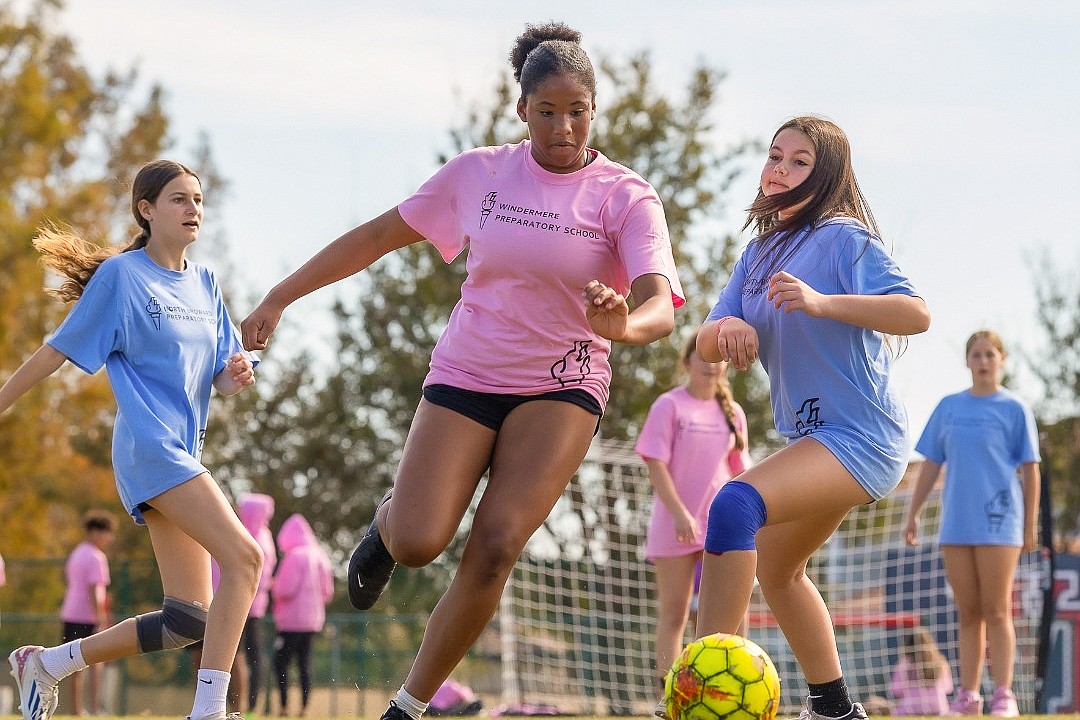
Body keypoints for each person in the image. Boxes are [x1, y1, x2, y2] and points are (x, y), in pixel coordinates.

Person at [240, 21, 682, 720]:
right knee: (419, 542)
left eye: (577, 111)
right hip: (468, 373)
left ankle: (408, 707)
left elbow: (661, 305)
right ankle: (385, 527)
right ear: (522, 111)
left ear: (595, 110)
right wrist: (281, 296)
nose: (563, 127)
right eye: (547, 112)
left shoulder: (626, 196)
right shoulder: (479, 174)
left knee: (497, 545)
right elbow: (378, 236)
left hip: (563, 383)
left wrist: (624, 325)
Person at [689, 115, 931, 720]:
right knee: (778, 568)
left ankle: (704, 694)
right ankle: (836, 709)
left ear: (826, 178)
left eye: (801, 162)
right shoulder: (757, 254)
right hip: (814, 438)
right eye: (776, 157)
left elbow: (916, 313)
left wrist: (823, 303)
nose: (782, 170)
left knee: (734, 505)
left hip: (863, 436)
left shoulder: (843, 238)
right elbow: (703, 341)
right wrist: (731, 326)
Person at [1, 159, 262, 720]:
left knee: (186, 620)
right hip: (149, 449)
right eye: (179, 200)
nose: (194, 210)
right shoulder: (122, 277)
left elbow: (221, 374)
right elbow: (55, 351)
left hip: (183, 453)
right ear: (147, 210)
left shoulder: (207, 282)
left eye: (198, 200)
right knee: (245, 558)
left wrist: (235, 375)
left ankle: (49, 663)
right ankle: (210, 711)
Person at [902, 329, 1040, 718]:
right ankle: (968, 695)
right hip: (956, 526)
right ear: (967, 361)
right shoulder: (949, 407)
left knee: (996, 609)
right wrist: (912, 514)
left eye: (990, 354)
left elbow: (1031, 470)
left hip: (1000, 524)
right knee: (967, 613)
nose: (983, 361)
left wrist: (1029, 525)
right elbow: (931, 464)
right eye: (976, 354)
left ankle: (1003, 696)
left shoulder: (1015, 409)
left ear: (1002, 360)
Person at [636, 332, 751, 691]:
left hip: (722, 525)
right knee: (675, 614)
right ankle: (668, 693)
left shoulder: (732, 413)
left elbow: (741, 472)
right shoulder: (668, 406)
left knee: (736, 611)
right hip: (674, 524)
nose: (711, 364)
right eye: (703, 357)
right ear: (687, 362)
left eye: (717, 358)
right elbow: (656, 464)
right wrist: (681, 513)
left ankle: (735, 687)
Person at [270, 513, 333, 718]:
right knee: (304, 664)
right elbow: (327, 593)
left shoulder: (295, 556)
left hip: (290, 622)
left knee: (281, 663)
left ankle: (284, 706)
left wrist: (273, 586)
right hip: (313, 621)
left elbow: (285, 589)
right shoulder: (320, 556)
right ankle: (305, 707)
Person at [59, 510, 117, 716]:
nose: (109, 538)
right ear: (95, 532)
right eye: (107, 533)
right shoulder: (96, 556)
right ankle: (94, 709)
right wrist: (101, 619)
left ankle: (76, 711)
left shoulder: (77, 552)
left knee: (72, 665)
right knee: (95, 662)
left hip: (70, 613)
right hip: (87, 616)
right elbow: (94, 591)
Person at [238, 493, 277, 714]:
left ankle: (249, 705)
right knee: (245, 655)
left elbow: (259, 575)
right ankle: (243, 704)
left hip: (249, 607)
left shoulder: (260, 538)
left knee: (248, 656)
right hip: (248, 605)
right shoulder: (256, 535)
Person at [888, 626, 954, 716]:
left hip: (909, 709)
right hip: (939, 708)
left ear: (908, 645)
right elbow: (948, 688)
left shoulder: (904, 663)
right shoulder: (941, 662)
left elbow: (896, 690)